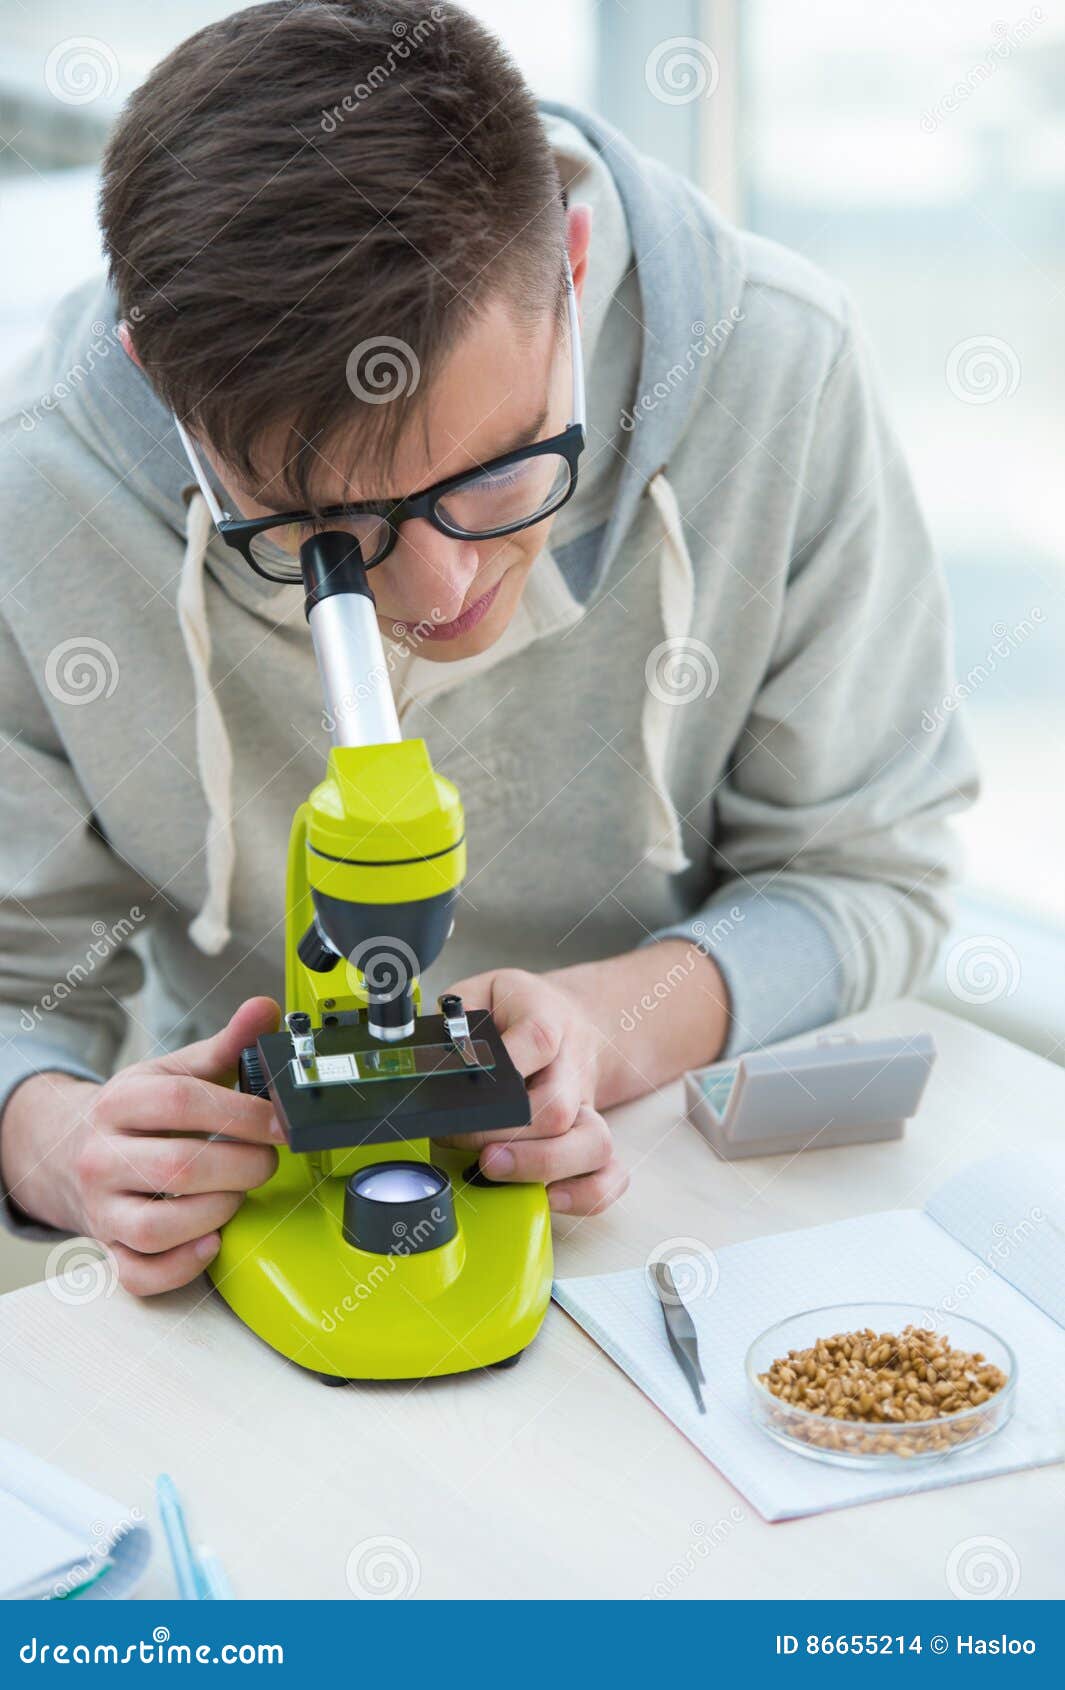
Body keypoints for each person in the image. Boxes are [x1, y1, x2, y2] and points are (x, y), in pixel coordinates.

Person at [0, 1, 976, 1292]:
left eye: (498, 474)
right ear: (158, 381)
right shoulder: (38, 492)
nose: (441, 585)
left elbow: (871, 872)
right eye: (321, 531)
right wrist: (59, 1139)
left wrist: (611, 1023)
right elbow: (20, 990)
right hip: (262, 1236)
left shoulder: (776, 369)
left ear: (569, 268)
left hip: (673, 1212)